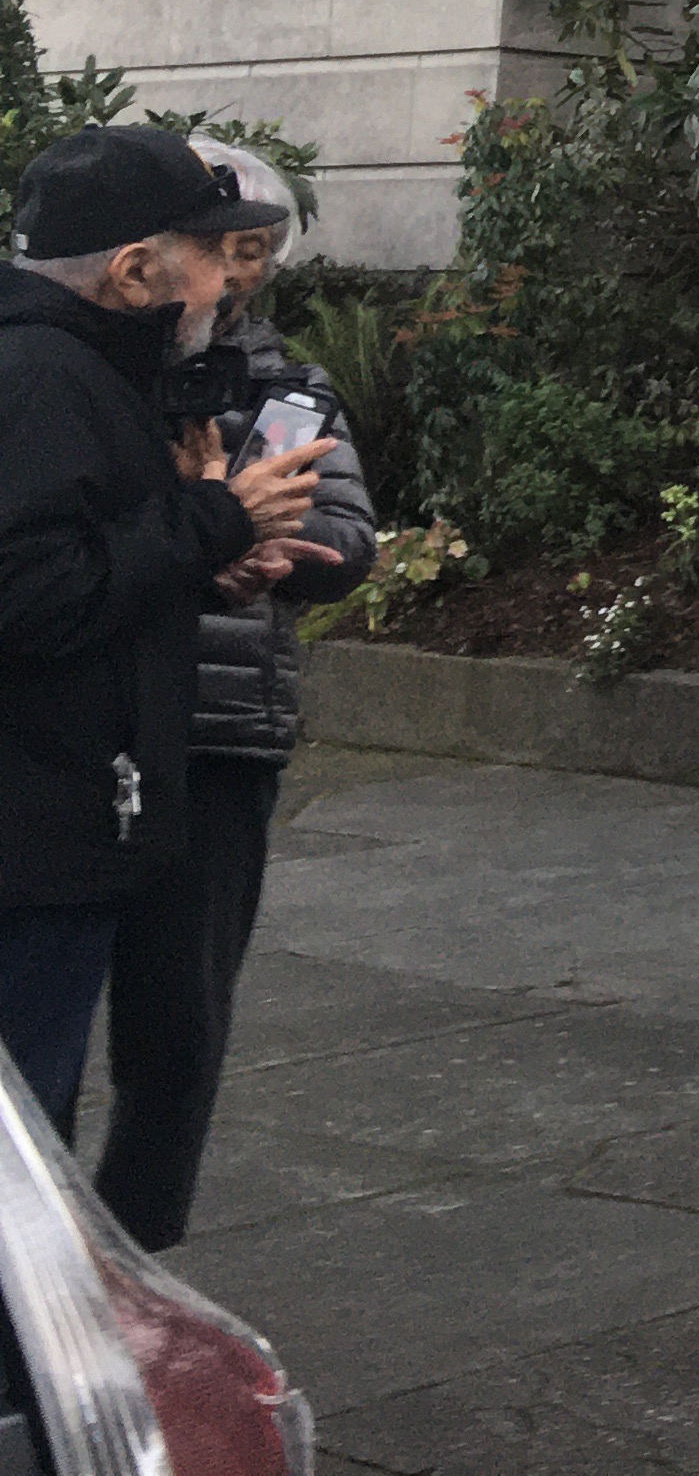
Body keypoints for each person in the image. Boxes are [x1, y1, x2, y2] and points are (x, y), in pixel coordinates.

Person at [0, 130, 332, 1126]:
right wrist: (219, 517)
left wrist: (202, 565)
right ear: (135, 270)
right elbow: (31, 596)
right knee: (25, 1154)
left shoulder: (72, 369)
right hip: (37, 836)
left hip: (55, 822)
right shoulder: (47, 380)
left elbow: (81, 569)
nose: (227, 277)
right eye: (207, 252)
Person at [88, 143, 379, 1250]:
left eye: (253, 250)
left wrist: (279, 551)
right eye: (219, 247)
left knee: (180, 1026)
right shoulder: (76, 371)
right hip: (89, 728)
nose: (234, 271)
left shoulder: (289, 387)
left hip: (220, 730)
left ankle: (139, 1258)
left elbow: (348, 539)